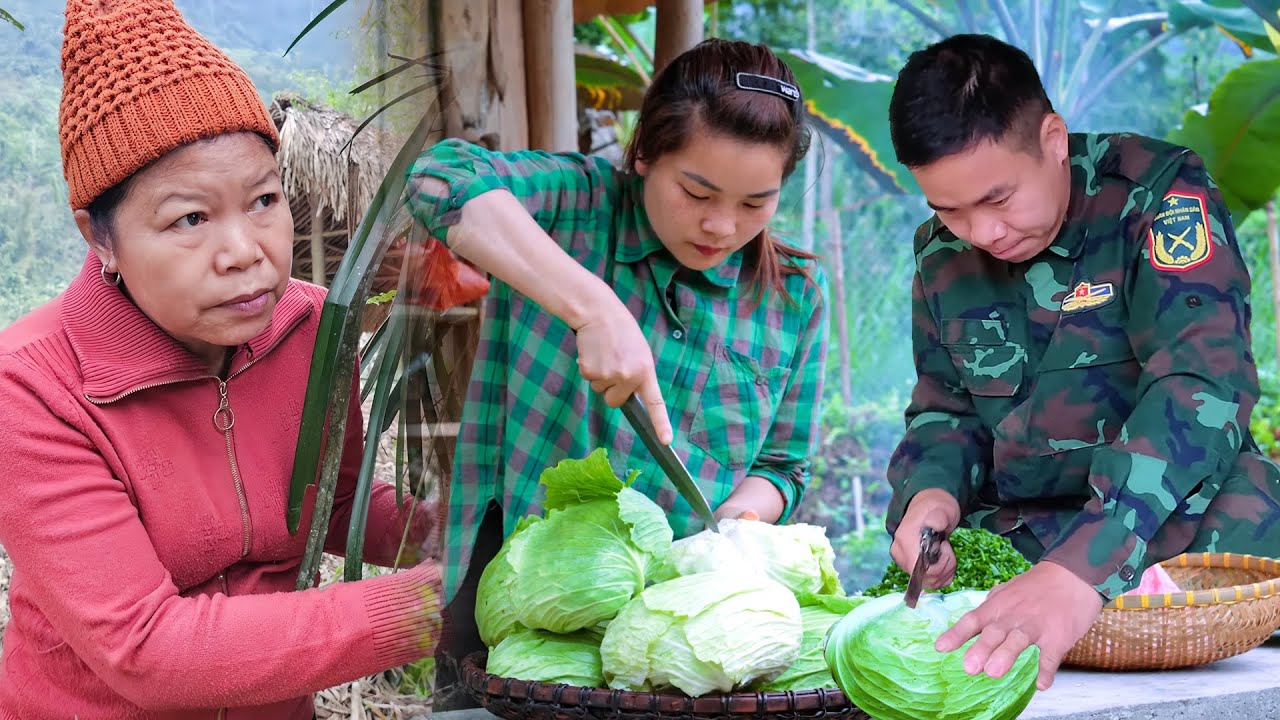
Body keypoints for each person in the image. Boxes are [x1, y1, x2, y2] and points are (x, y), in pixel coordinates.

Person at [0, 2, 450, 717]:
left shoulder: (310, 326)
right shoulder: (32, 387)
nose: (245, 250)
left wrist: (452, 531)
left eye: (263, 199)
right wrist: (429, 607)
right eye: (190, 218)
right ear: (100, 238)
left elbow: (331, 503)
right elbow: (147, 649)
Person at [404, 38, 830, 700]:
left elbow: (781, 466)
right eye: (696, 191)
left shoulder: (794, 297)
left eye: (755, 204)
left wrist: (734, 531)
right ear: (644, 154)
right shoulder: (576, 205)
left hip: (676, 639)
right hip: (516, 610)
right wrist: (590, 306)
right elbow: (437, 178)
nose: (721, 226)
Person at [884, 32, 1280, 693]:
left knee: (1254, 528)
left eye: (998, 199)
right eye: (948, 210)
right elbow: (946, 410)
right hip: (1025, 525)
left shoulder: (1158, 196)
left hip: (1172, 514)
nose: (981, 233)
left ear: (1053, 139)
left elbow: (1200, 389)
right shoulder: (939, 254)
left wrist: (1081, 569)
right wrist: (931, 494)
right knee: (951, 592)